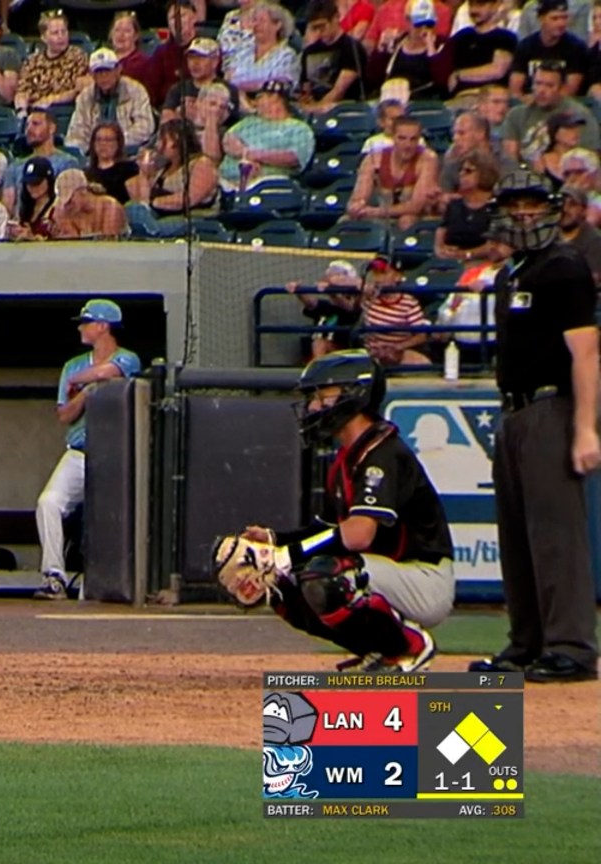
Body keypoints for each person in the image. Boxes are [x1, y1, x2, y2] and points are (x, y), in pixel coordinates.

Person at [215, 351, 454, 673]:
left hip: (422, 577)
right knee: (283, 583)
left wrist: (288, 554)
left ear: (355, 394)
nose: (313, 406)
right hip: (384, 574)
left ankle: (410, 647)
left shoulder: (383, 453)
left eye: (322, 396)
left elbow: (357, 535)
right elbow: (329, 531)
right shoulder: (346, 458)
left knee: (325, 574)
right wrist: (275, 542)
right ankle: (379, 650)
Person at [469, 168, 599, 682]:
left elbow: (586, 353)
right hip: (514, 410)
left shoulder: (563, 266)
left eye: (533, 205)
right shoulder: (511, 272)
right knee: (518, 533)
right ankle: (526, 643)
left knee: (555, 533)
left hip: (551, 407)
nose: (524, 215)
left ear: (551, 208)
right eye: (515, 207)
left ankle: (571, 647)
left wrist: (587, 427)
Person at [32, 300, 142, 600]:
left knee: (113, 517)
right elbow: (64, 415)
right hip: (79, 450)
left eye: (86, 322)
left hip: (118, 455)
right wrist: (86, 395)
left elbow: (108, 372)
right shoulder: (73, 364)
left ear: (103, 326)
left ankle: (111, 584)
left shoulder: (127, 358)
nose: (81, 327)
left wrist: (82, 383)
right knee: (48, 503)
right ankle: (54, 576)